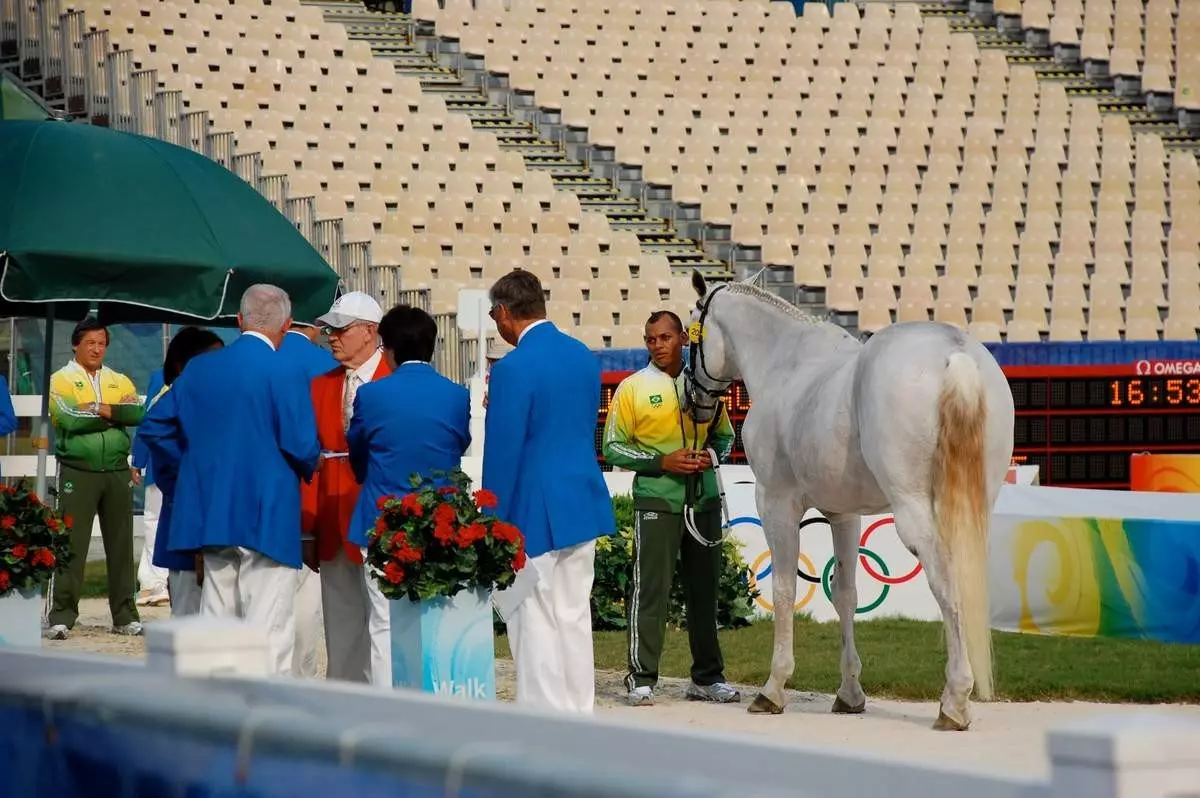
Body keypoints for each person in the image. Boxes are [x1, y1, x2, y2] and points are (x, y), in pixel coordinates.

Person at [138, 285, 320, 675]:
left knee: (216, 624)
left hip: (212, 510)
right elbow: (303, 446)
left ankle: (215, 714)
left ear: (239, 320)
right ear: (287, 326)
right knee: (268, 627)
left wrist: (189, 469)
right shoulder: (285, 370)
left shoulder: (201, 368)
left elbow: (154, 426)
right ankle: (268, 720)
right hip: (269, 511)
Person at [482, 269, 615, 714]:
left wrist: (491, 520)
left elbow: (503, 452)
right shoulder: (582, 356)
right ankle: (579, 713)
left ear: (504, 314)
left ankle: (543, 720)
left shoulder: (513, 368)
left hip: (532, 508)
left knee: (533, 619)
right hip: (581, 498)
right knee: (574, 615)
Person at [603, 310, 740, 707]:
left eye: (664, 337)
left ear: (683, 337)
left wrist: (709, 457)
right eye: (650, 339)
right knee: (651, 591)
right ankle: (641, 678)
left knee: (705, 594)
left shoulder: (705, 387)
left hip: (705, 501)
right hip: (657, 501)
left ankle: (707, 678)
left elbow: (726, 436)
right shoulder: (632, 388)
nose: (657, 345)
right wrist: (663, 461)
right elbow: (612, 446)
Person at [345, 303, 470, 686]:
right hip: (440, 522)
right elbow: (460, 444)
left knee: (383, 623)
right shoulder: (456, 394)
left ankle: (390, 710)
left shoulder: (371, 395)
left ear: (388, 348)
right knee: (436, 619)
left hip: (381, 519)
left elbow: (358, 454)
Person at [306, 292, 392, 685]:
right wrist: (308, 526)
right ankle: (344, 698)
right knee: (339, 622)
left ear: (370, 332)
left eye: (340, 329)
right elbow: (310, 460)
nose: (331, 337)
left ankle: (385, 698)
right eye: (328, 329)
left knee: (384, 621)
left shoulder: (394, 378)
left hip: (379, 517)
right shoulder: (321, 385)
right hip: (331, 519)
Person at [45, 318, 146, 640]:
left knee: (121, 545)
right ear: (76, 344)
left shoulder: (118, 379)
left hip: (116, 471)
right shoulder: (60, 379)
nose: (97, 348)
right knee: (71, 544)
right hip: (78, 469)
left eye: (102, 343)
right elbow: (68, 418)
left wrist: (99, 408)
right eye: (90, 342)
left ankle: (125, 616)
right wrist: (114, 414)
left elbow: (137, 414)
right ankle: (62, 616)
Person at [146, 327, 225, 617]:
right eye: (211, 357)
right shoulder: (175, 398)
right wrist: (193, 469)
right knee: (188, 617)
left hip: (214, 524)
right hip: (186, 521)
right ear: (182, 364)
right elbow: (154, 433)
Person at [278, 317, 338, 680]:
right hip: (317, 488)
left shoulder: (271, 358)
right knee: (308, 602)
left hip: (273, 495)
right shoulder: (328, 366)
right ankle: (305, 675)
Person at [132, 367, 169, 608]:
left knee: (157, 522)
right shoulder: (163, 376)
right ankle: (153, 582)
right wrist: (138, 459)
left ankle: (153, 582)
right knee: (155, 522)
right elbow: (151, 419)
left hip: (183, 463)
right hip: (164, 462)